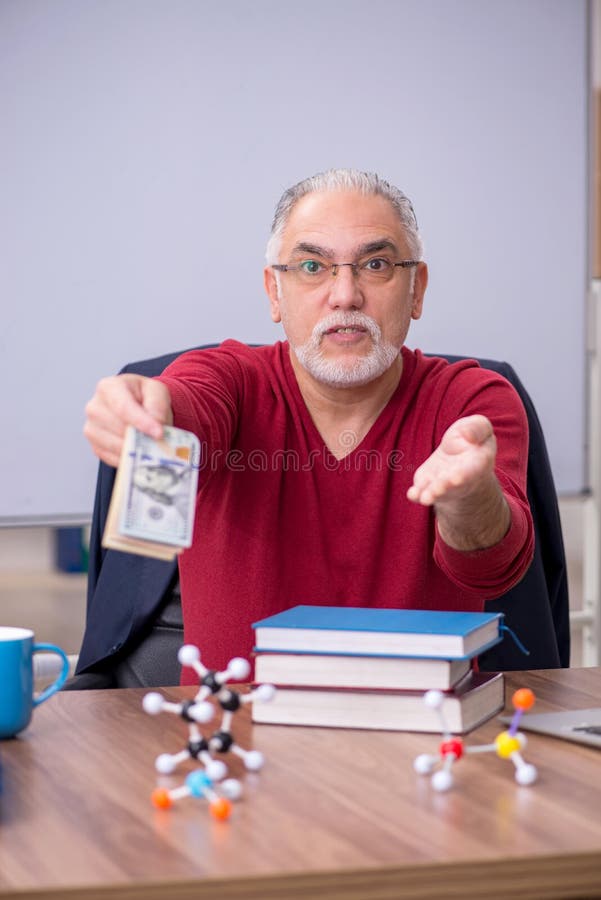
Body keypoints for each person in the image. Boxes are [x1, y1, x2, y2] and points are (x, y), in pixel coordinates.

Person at [82, 168, 534, 685]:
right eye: (313, 266)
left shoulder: (471, 402)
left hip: (418, 739)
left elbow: (493, 569)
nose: (345, 295)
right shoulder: (226, 378)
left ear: (416, 289)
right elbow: (189, 407)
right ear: (275, 291)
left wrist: (469, 499)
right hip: (236, 741)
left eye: (377, 264)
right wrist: (150, 411)